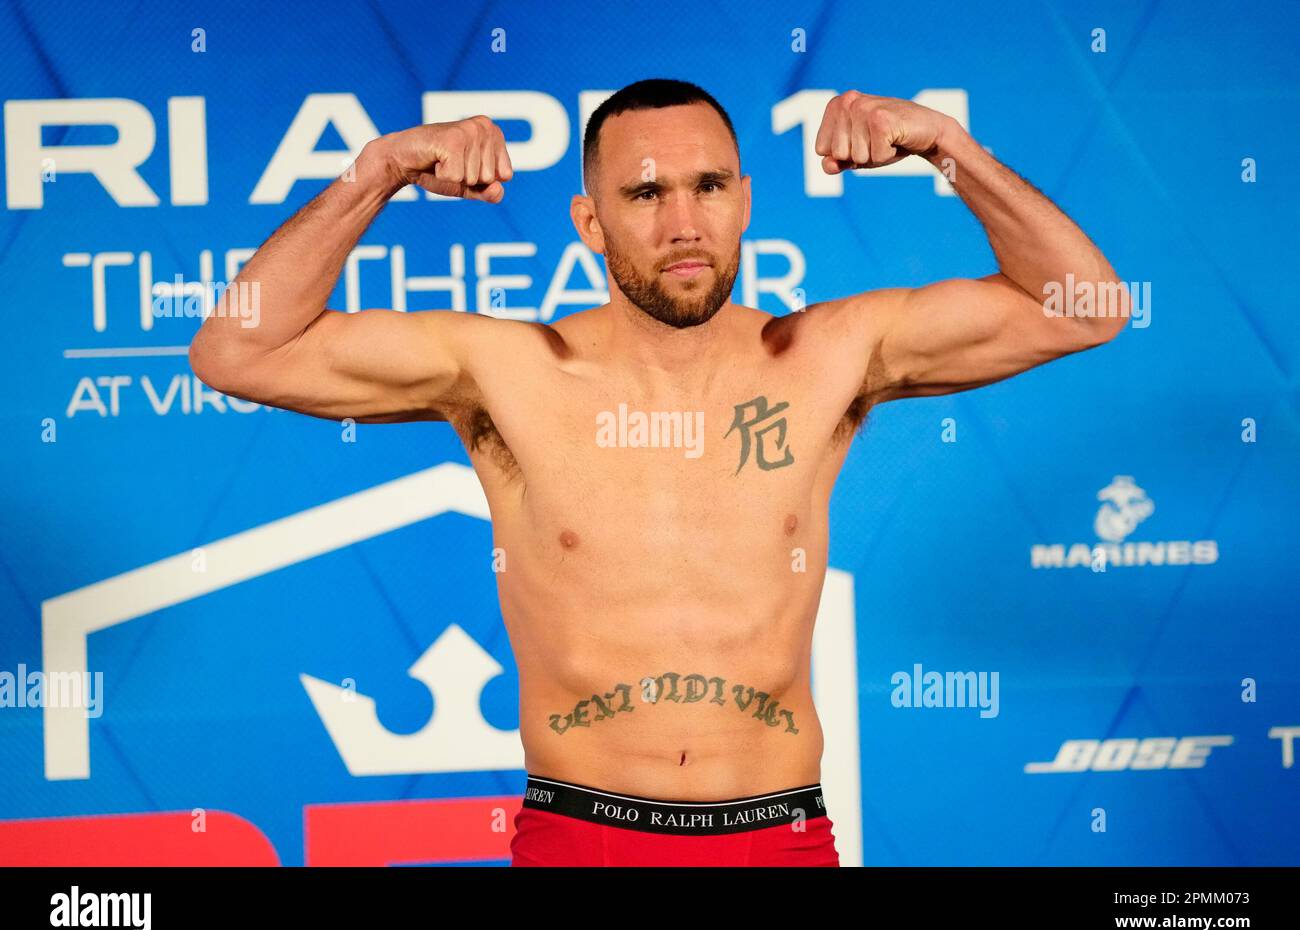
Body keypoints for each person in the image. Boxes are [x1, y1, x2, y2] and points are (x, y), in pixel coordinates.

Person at [188, 78, 1129, 867]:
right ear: (590, 223)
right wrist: (379, 169)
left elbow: (1082, 308)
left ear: (745, 200)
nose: (685, 223)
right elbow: (238, 354)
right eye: (645, 195)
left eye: (709, 185)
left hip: (779, 838)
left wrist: (947, 146)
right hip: (583, 836)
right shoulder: (509, 371)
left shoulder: (828, 354)